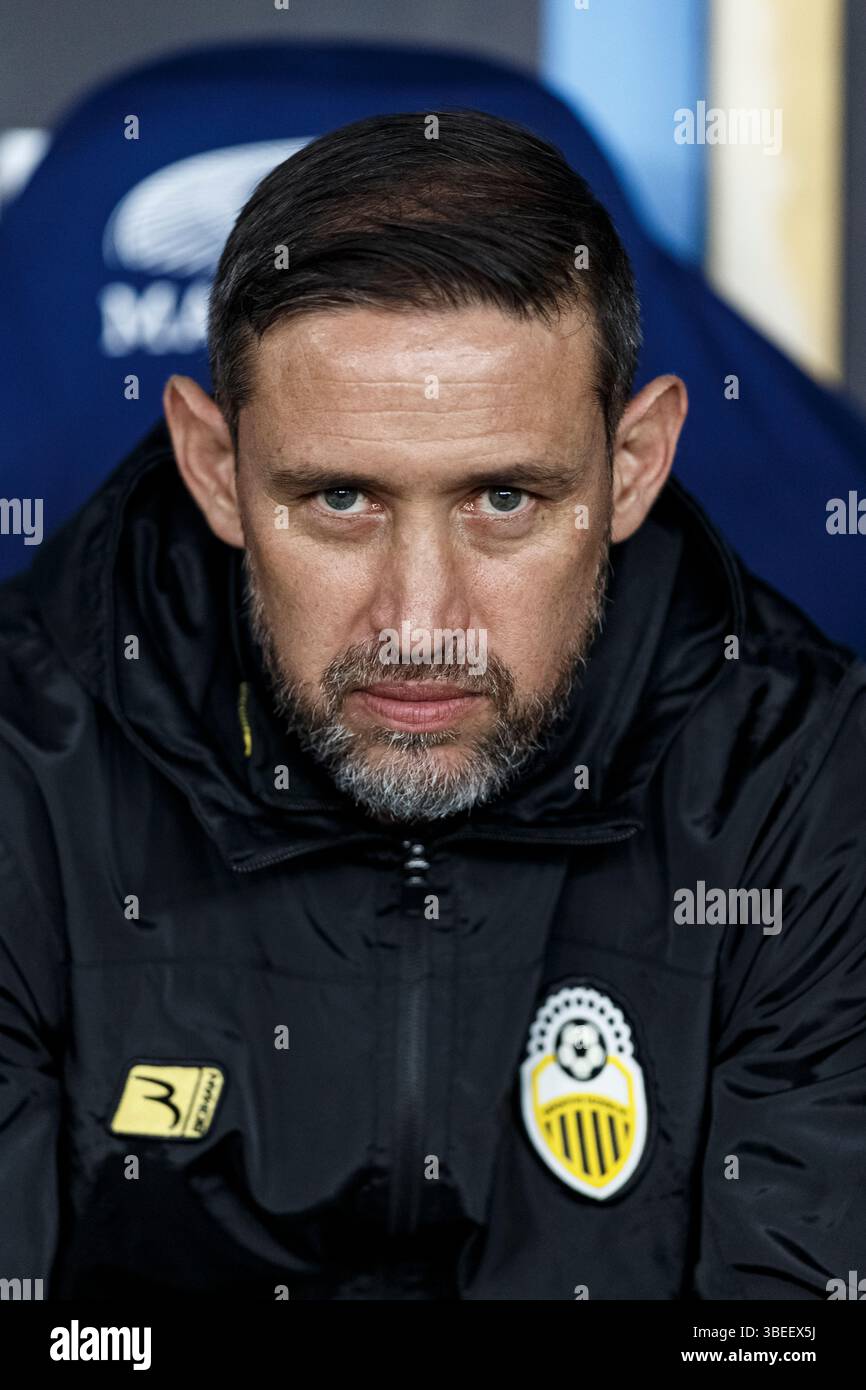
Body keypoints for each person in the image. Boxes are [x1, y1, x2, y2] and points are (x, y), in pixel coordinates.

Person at [1, 109, 864, 1300]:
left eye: (503, 499)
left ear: (630, 466)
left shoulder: (809, 786)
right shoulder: (19, 766)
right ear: (215, 468)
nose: (417, 621)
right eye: (341, 498)